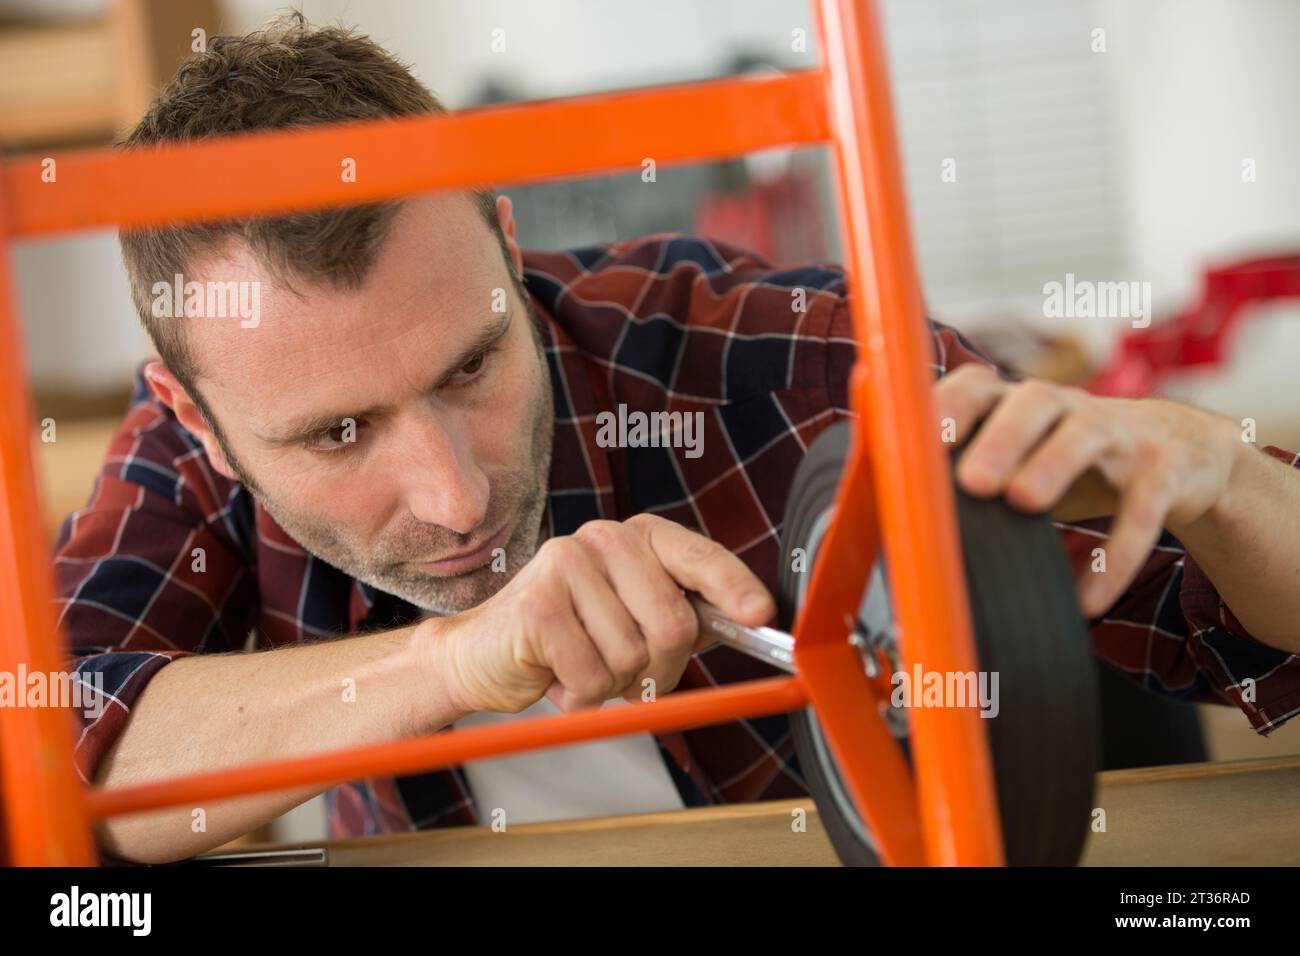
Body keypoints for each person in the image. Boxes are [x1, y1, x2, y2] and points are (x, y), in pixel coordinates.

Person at [57, 15, 1300, 864]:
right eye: (337, 433)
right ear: (197, 417)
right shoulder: (198, 446)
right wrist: (457, 659)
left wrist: (1228, 477)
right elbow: (64, 749)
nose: (450, 493)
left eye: (475, 363)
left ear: (503, 235)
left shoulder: (806, 364)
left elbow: (1255, 636)